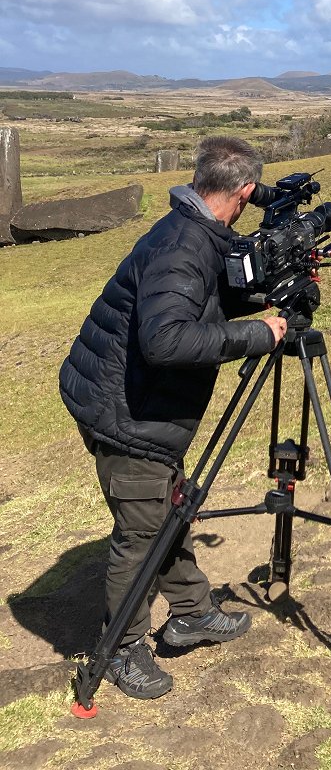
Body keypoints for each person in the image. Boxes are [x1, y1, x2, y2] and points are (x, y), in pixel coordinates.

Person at [59, 135, 288, 700]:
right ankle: (120, 648)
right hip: (125, 412)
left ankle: (190, 612)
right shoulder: (184, 246)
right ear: (242, 192)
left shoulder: (198, 232)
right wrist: (259, 335)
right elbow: (165, 339)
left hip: (139, 402)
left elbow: (201, 301)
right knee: (140, 532)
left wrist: (260, 301)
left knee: (167, 507)